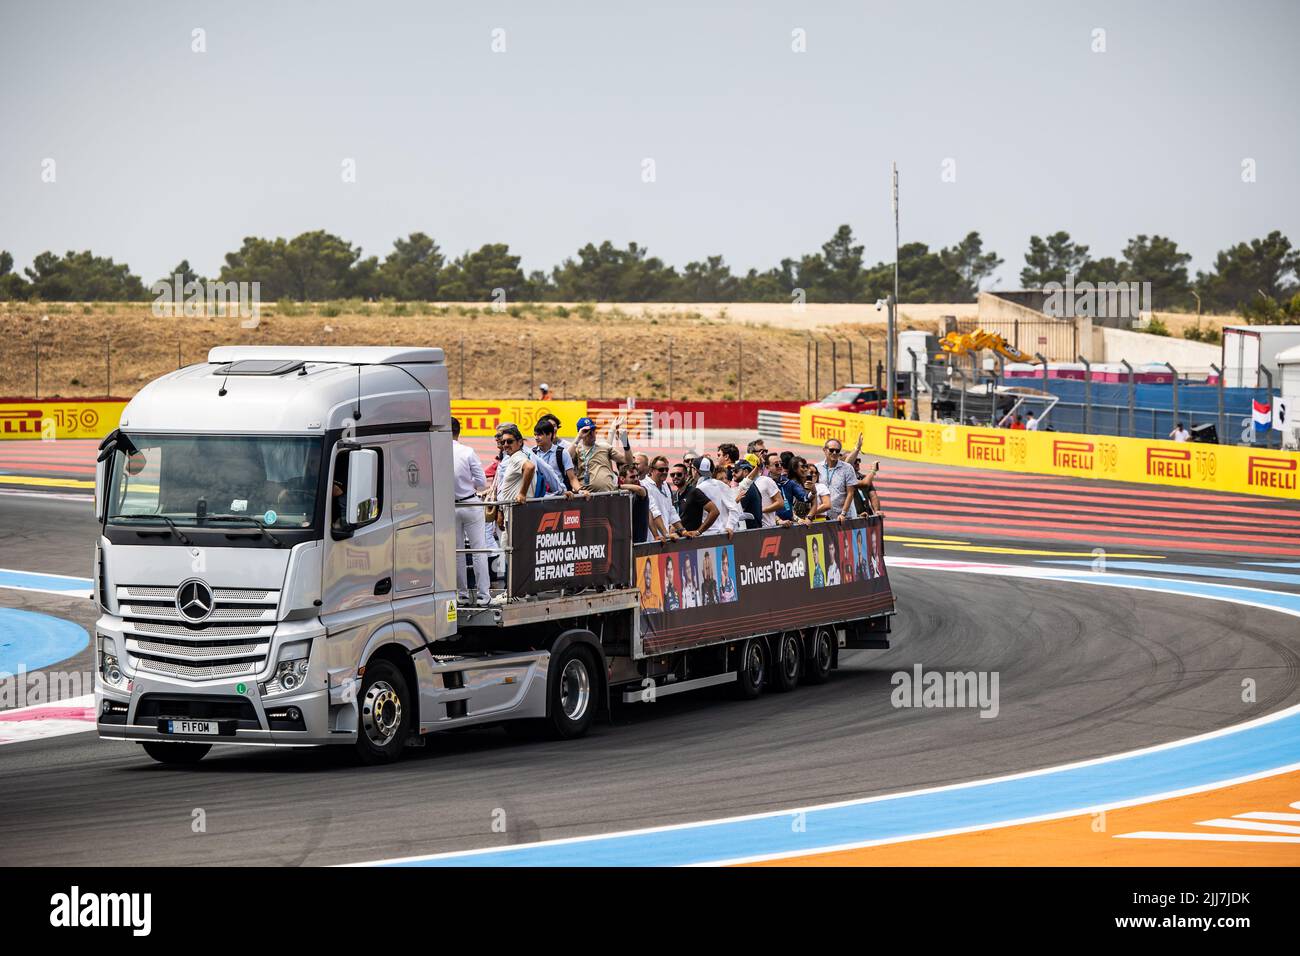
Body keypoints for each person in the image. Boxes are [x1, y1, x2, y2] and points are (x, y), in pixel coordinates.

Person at [451, 417, 490, 605]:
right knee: (478, 550)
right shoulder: (467, 452)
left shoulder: (436, 452)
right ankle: (483, 595)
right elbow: (482, 482)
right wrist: (468, 485)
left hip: (449, 506)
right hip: (470, 503)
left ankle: (462, 595)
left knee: (457, 552)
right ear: (459, 431)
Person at [571, 415, 628, 492]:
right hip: (586, 495)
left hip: (607, 494)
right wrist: (578, 437)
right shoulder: (576, 449)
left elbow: (607, 451)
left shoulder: (603, 446)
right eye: (586, 431)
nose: (591, 433)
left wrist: (612, 431)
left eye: (593, 430)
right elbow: (565, 459)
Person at [694, 456, 742, 536]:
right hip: (706, 535)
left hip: (717, 535)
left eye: (725, 478)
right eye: (721, 478)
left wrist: (729, 527)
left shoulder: (719, 486)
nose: (725, 481)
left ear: (695, 470)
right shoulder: (698, 487)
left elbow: (734, 509)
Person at [641, 454, 683, 542]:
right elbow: (653, 511)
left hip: (665, 537)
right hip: (651, 538)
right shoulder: (644, 485)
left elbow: (671, 511)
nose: (664, 472)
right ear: (651, 470)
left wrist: (683, 531)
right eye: (661, 469)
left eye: (666, 469)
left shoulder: (666, 485)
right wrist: (665, 534)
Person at [815, 438, 859, 519]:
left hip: (841, 518)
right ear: (824, 450)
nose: (834, 453)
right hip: (822, 516)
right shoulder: (817, 467)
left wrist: (843, 513)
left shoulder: (847, 468)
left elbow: (850, 493)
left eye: (837, 451)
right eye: (831, 450)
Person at [532, 418, 579, 493]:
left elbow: (572, 478)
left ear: (549, 434)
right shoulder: (532, 453)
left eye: (540, 435)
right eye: (535, 435)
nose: (536, 438)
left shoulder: (562, 453)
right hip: (538, 498)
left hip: (559, 499)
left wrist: (580, 490)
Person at [674, 464, 720, 536]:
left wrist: (699, 531)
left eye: (679, 474)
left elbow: (714, 511)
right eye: (672, 475)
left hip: (692, 541)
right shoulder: (675, 495)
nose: (675, 477)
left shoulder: (694, 492)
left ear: (686, 476)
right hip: (679, 539)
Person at [732, 455, 764, 530]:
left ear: (746, 472)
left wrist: (758, 466)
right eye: (732, 471)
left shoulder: (747, 489)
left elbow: (737, 513)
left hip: (749, 533)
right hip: (752, 531)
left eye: (736, 471)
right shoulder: (751, 486)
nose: (733, 474)